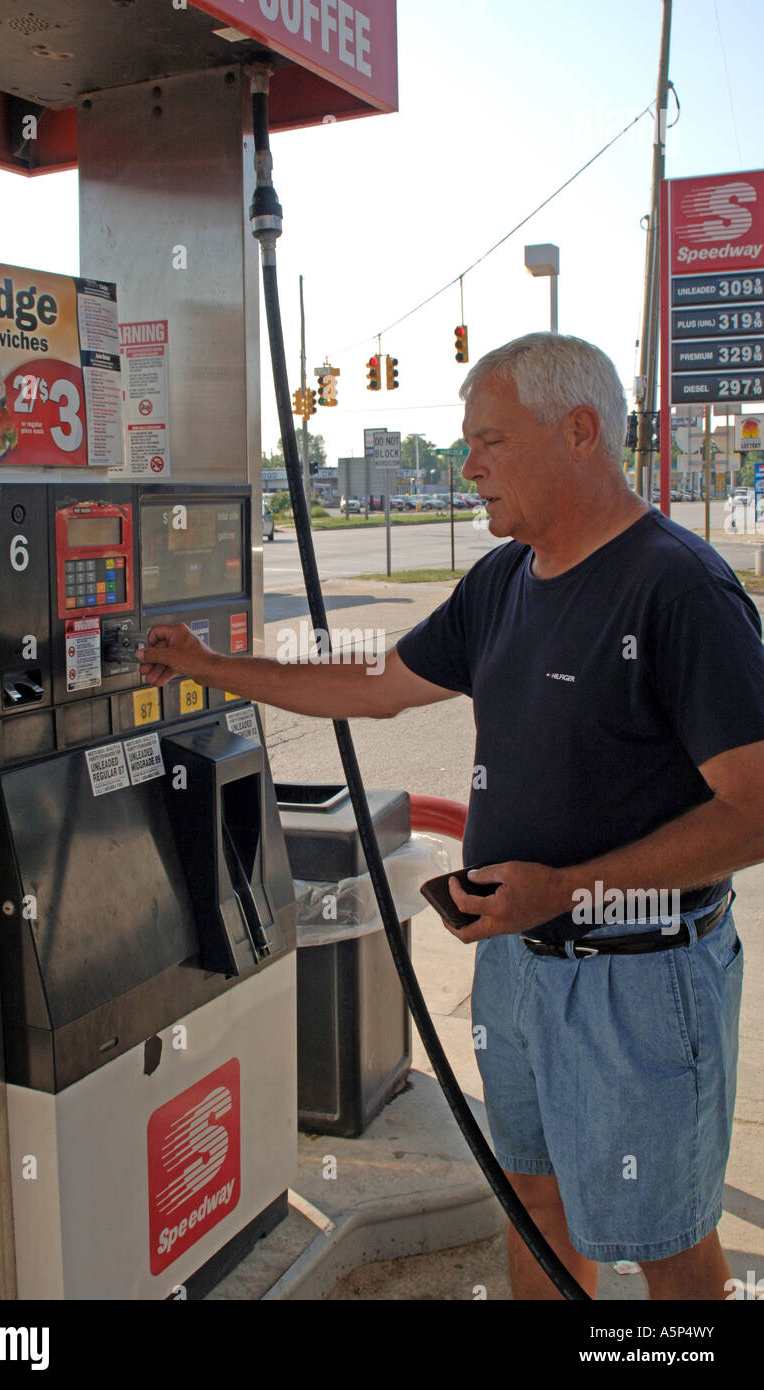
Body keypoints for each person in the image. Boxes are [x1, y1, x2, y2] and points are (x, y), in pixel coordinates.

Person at [138, 332, 764, 1300]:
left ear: (580, 432)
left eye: (489, 441)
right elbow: (376, 684)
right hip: (516, 958)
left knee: (659, 1237)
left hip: (635, 975)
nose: (466, 465)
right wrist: (211, 668)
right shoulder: (504, 580)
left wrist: (562, 887)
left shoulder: (676, 587)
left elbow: (753, 811)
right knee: (531, 1192)